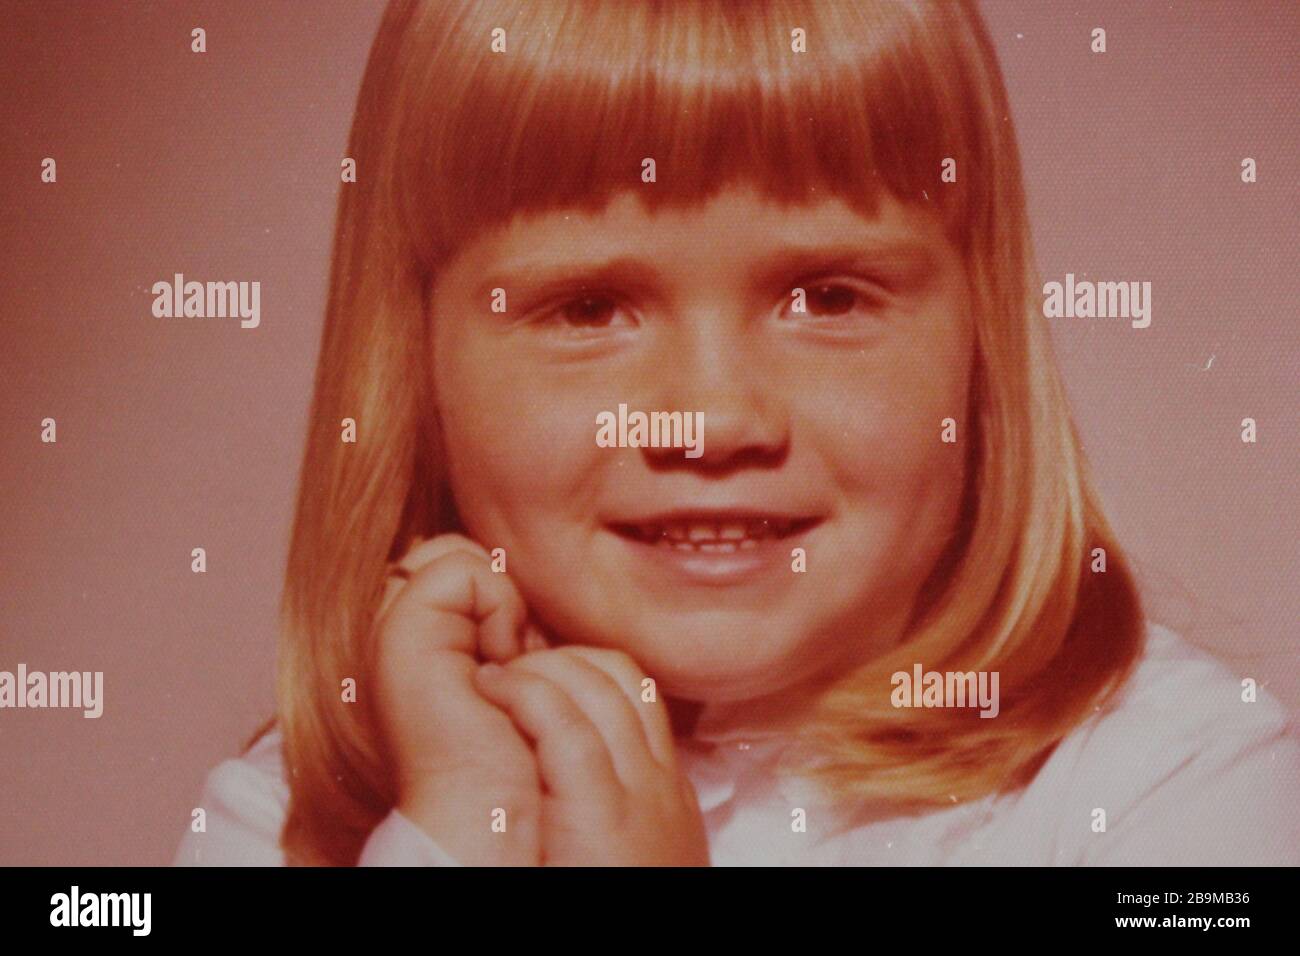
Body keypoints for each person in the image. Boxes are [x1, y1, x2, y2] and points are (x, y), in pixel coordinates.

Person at [175, 0, 1300, 867]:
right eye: (588, 308)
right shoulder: (298, 814)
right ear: (420, 367)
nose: (711, 418)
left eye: (827, 296)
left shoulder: (1178, 784)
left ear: (981, 339)